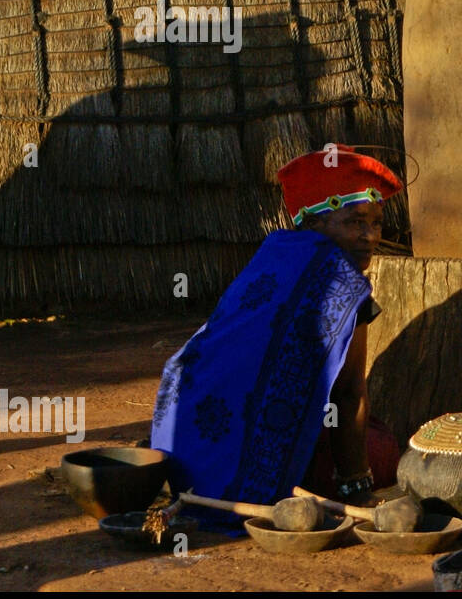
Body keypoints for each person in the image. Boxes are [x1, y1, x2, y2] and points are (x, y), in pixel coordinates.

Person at [151, 144, 403, 516]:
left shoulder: (271, 258)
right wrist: (357, 488)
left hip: (183, 457)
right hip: (249, 476)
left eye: (376, 222)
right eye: (355, 222)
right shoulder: (342, 284)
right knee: (383, 444)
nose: (370, 236)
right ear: (315, 223)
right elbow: (348, 394)